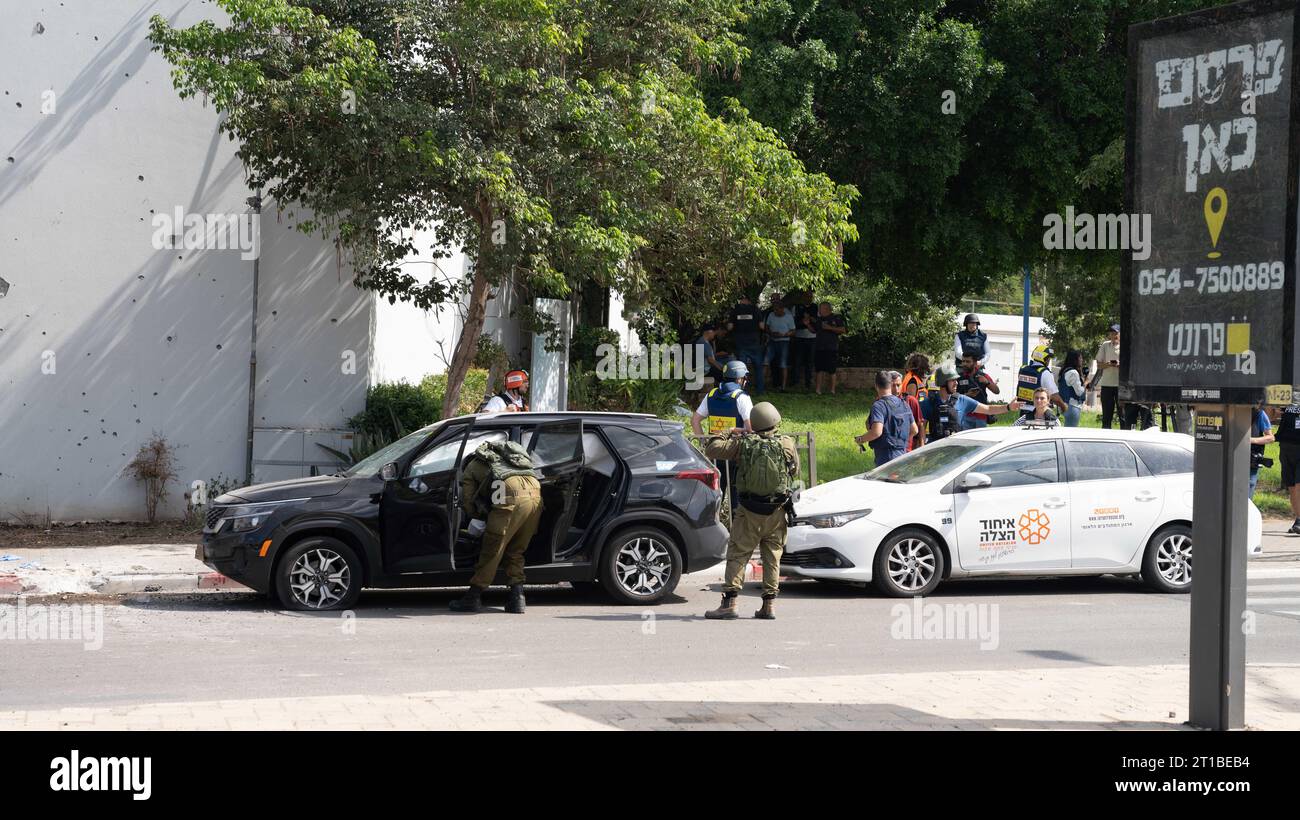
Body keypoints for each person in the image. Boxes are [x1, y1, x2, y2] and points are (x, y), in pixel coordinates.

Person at [703, 402, 799, 620]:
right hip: (776, 511)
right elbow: (795, 470)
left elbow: (712, 448)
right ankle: (769, 606)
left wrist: (730, 431)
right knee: (772, 557)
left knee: (738, 554)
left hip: (748, 511)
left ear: (754, 424)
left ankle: (729, 604)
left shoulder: (743, 444)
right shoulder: (786, 443)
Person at [448, 439, 544, 613]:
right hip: (535, 492)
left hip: (508, 493)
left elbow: (468, 502)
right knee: (516, 550)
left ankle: (473, 596)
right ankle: (518, 599)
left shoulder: (472, 467)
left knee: (493, 548)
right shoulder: (507, 460)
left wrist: (482, 518)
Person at [921, 364, 1021, 440]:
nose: (956, 383)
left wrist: (1008, 407)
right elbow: (922, 428)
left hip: (955, 451)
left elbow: (988, 409)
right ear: (943, 383)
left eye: (956, 380)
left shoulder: (962, 400)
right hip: (934, 451)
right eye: (952, 380)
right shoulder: (929, 403)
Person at [854, 371, 917, 466]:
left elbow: (876, 432)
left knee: (886, 481)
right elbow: (914, 430)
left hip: (886, 457)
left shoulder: (879, 405)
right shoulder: (904, 403)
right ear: (890, 384)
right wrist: (900, 442)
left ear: (876, 385)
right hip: (902, 454)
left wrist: (861, 439)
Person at [727, 294, 765, 395]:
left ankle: (742, 390)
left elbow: (730, 327)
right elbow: (762, 326)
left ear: (743, 300)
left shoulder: (735, 311)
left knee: (741, 369)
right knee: (758, 367)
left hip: (741, 343)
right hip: (754, 343)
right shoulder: (755, 310)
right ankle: (760, 390)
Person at [1016, 345, 1067, 419]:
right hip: (1038, 412)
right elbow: (1055, 396)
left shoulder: (1023, 369)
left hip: (1022, 411)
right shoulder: (1045, 373)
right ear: (1045, 359)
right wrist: (1063, 406)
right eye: (1048, 359)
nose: (1049, 361)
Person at [811, 302, 846, 395]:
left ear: (826, 309)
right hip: (819, 347)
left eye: (820, 309)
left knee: (832, 370)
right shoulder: (819, 320)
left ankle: (832, 390)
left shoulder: (836, 318)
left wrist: (829, 328)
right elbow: (814, 330)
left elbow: (843, 330)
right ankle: (818, 390)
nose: (819, 310)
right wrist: (807, 324)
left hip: (831, 348)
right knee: (819, 369)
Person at [956, 354, 999, 428]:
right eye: (963, 361)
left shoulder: (983, 376)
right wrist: (967, 395)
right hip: (965, 416)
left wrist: (987, 382)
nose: (965, 364)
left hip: (981, 416)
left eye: (968, 361)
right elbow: (954, 396)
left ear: (975, 363)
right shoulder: (959, 378)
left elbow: (997, 391)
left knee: (980, 439)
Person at [762, 297, 796, 391]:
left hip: (784, 341)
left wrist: (785, 334)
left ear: (782, 309)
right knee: (765, 362)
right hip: (772, 341)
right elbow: (767, 327)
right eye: (774, 309)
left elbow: (793, 331)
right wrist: (772, 333)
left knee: (783, 364)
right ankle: (761, 385)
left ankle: (783, 387)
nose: (775, 311)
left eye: (777, 309)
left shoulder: (788, 316)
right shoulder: (771, 315)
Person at [1276, 399, 1300, 532]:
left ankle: (1299, 521)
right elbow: (1272, 415)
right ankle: (1298, 519)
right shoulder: (1287, 393)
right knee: (1291, 487)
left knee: (1298, 486)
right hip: (1286, 446)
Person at [1093, 324, 1121, 429]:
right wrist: (1109, 364)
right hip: (1106, 385)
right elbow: (1099, 365)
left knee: (1123, 416)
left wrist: (1119, 364)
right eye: (1111, 333)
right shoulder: (1105, 345)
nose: (1113, 335)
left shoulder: (1126, 345)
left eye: (1115, 333)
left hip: (1121, 386)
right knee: (1106, 417)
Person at [891, 370, 925, 451]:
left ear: (902, 385)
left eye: (898, 385)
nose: (896, 389)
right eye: (893, 385)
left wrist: (922, 447)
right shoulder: (881, 402)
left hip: (908, 450)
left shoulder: (911, 401)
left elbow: (920, 425)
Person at [790, 293, 818, 390]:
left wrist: (809, 319)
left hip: (812, 338)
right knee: (797, 361)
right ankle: (795, 383)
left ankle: (808, 384)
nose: (808, 298)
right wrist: (803, 322)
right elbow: (793, 323)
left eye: (810, 296)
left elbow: (817, 321)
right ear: (802, 297)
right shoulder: (796, 307)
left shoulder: (815, 307)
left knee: (810, 361)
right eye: (806, 296)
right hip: (799, 337)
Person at [1250, 403, 1276, 500]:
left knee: (1247, 501)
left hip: (1250, 462)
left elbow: (1271, 438)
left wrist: (1251, 440)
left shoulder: (1259, 414)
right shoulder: (1228, 411)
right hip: (1230, 461)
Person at [1058, 350, 1087, 428]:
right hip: (1073, 406)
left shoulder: (1064, 371)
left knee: (1067, 429)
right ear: (1075, 360)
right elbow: (1079, 392)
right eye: (1080, 358)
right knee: (1070, 432)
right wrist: (1086, 383)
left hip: (1065, 405)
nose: (1082, 360)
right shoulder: (1073, 373)